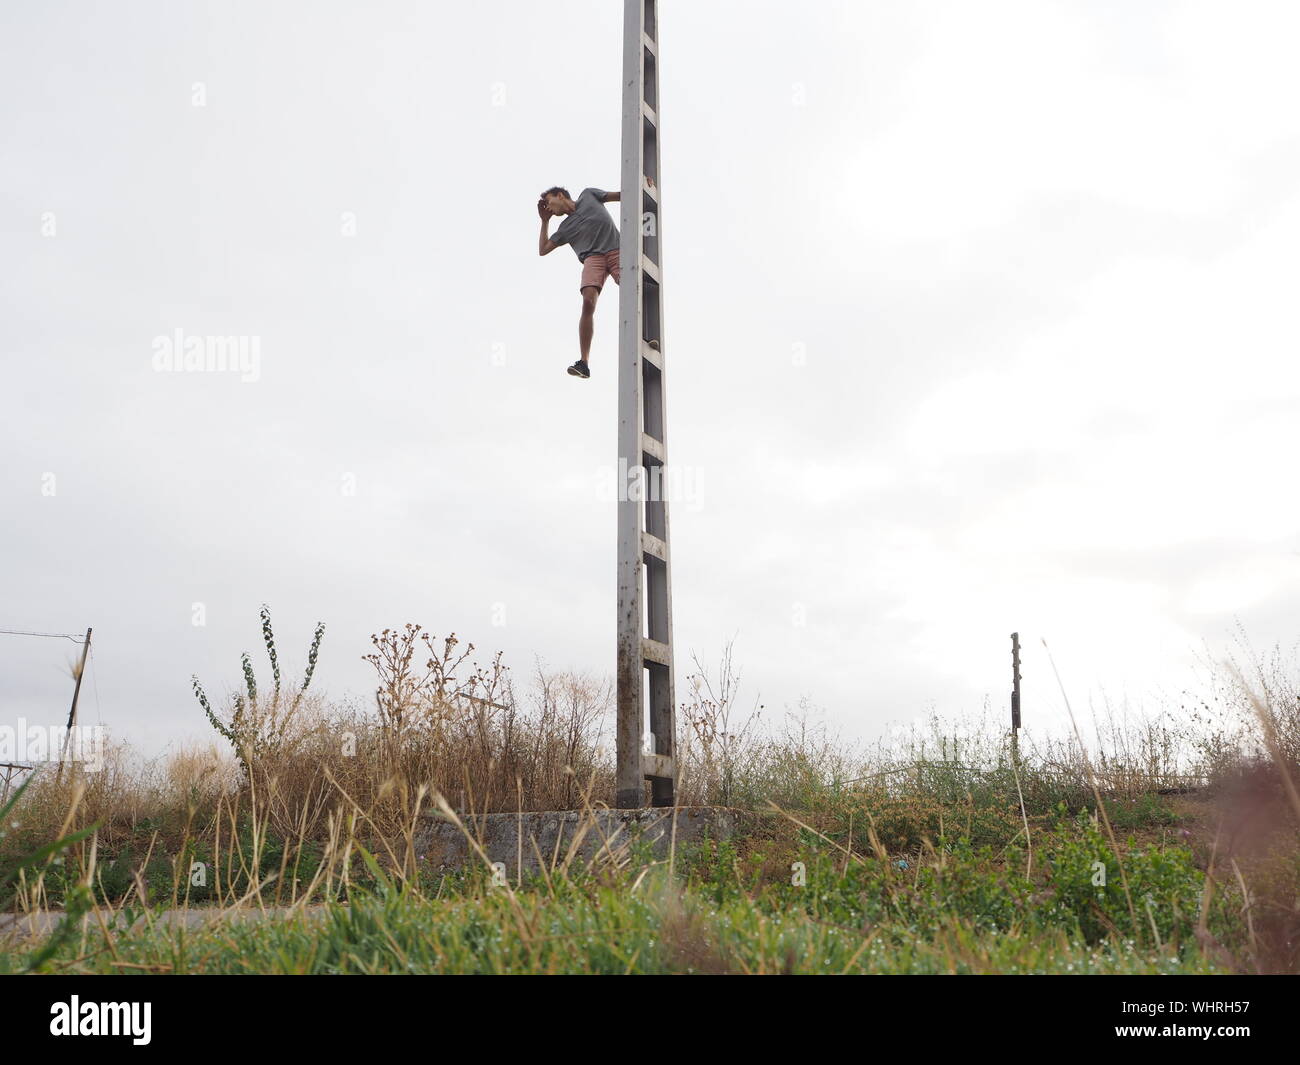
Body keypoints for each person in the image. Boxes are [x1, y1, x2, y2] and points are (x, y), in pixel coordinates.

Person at [537, 186, 621, 378]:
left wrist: (645, 185)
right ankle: (584, 362)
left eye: (549, 202)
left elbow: (622, 195)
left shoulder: (588, 195)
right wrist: (544, 221)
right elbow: (543, 249)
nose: (548, 208)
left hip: (616, 249)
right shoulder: (565, 228)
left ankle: (646, 332)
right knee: (588, 301)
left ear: (560, 196)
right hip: (593, 258)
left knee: (632, 285)